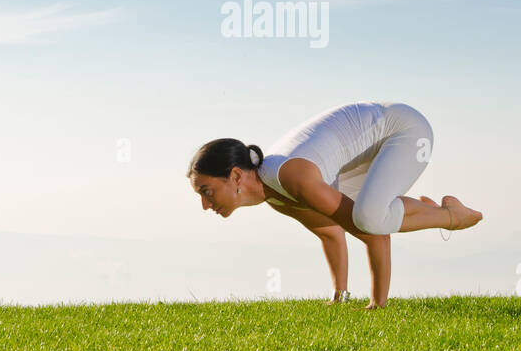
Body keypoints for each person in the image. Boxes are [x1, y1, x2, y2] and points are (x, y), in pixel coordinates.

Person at [186, 101, 482, 310]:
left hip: (404, 131)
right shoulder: (276, 197)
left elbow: (372, 233)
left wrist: (377, 304)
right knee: (368, 215)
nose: (204, 204)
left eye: (207, 191)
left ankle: (450, 215)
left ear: (235, 175)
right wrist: (339, 295)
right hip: (362, 155)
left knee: (369, 217)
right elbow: (330, 231)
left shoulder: (291, 177)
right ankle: (422, 208)